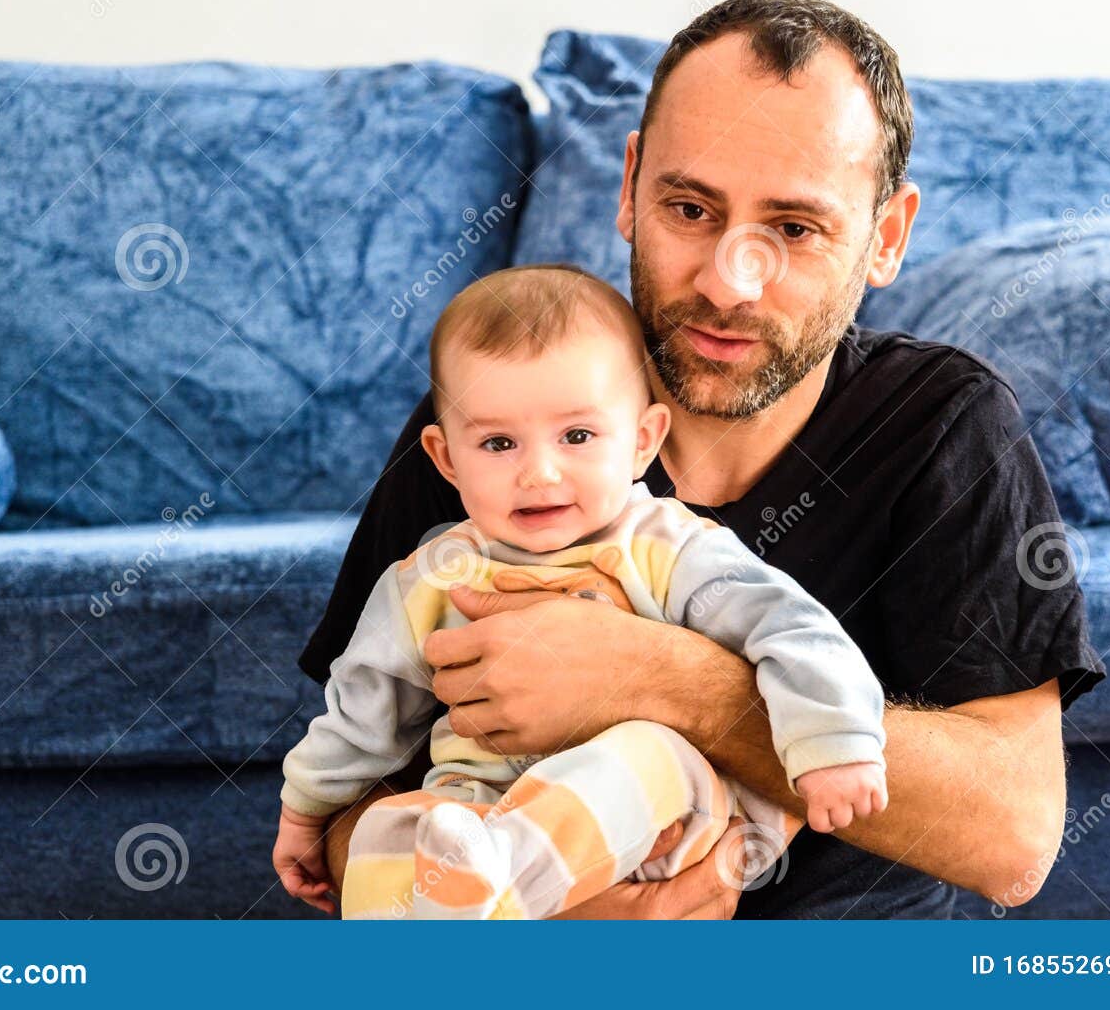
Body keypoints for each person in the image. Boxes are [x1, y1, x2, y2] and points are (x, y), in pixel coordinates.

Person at [290, 0, 1105, 919]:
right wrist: (543, 907)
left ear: (885, 237)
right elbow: (339, 826)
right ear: (630, 188)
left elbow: (1014, 840)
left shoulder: (943, 425)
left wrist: (667, 682)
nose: (727, 282)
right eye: (689, 208)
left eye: (793, 229)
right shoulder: (506, 421)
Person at [275, 265, 888, 918]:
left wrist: (834, 742)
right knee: (389, 829)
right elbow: (363, 708)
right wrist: (304, 810)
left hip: (657, 825)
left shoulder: (670, 547)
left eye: (577, 436)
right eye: (499, 443)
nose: (539, 473)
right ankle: (471, 900)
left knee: (648, 755)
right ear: (447, 457)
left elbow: (791, 627)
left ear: (642, 441)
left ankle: (495, 893)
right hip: (478, 812)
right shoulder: (430, 576)